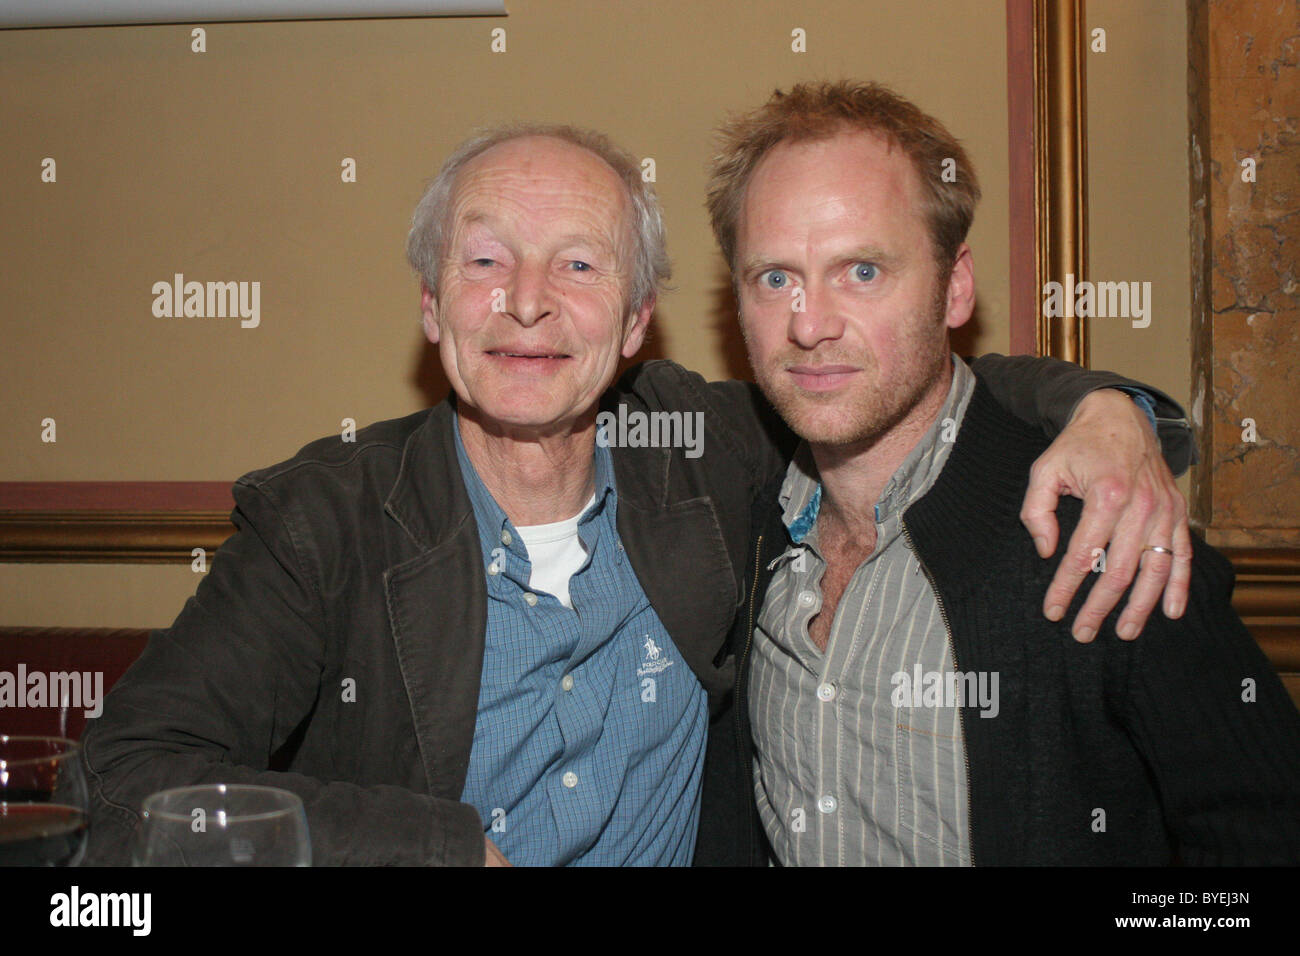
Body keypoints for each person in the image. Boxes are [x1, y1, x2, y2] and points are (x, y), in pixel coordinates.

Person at [82, 122, 1191, 867]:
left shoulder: (700, 451)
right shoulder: (325, 523)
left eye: (578, 265)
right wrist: (435, 849)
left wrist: (1107, 408)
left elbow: (892, 375)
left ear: (633, 323)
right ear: (430, 304)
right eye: (485, 261)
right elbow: (124, 779)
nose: (527, 303)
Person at [708, 80, 1300, 865]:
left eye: (863, 271)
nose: (810, 324)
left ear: (955, 288)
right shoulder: (732, 514)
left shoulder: (1100, 528)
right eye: (775, 278)